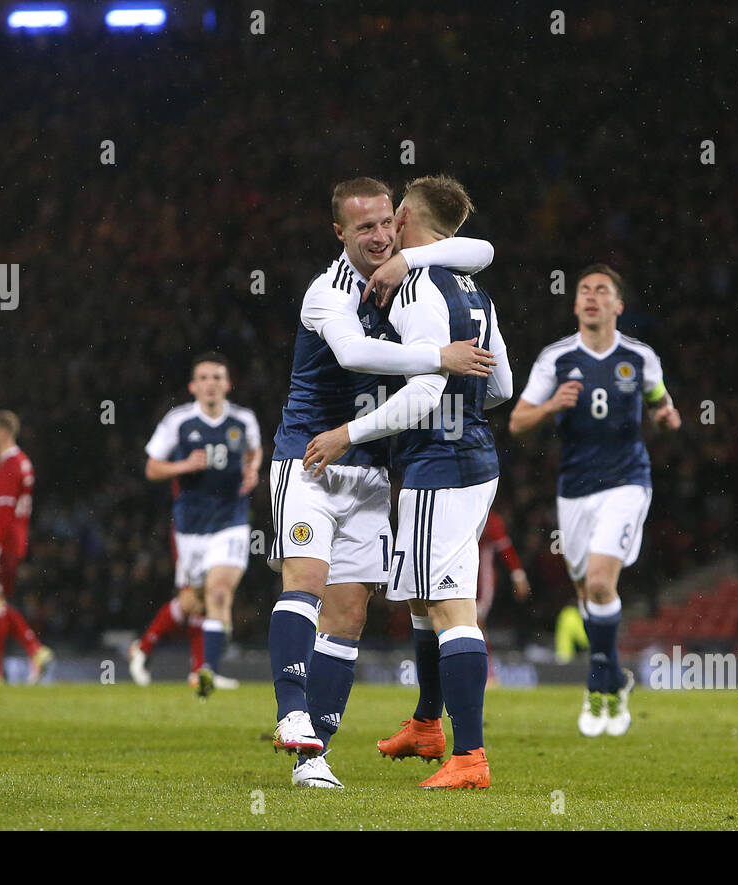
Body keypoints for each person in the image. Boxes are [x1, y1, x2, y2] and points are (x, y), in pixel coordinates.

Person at [268, 176, 497, 789]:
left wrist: (409, 257)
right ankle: (292, 713)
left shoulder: (410, 275)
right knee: (308, 582)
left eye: (382, 225)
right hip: (313, 453)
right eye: (361, 227)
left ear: (398, 222)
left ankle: (314, 757)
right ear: (339, 231)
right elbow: (350, 355)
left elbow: (482, 252)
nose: (375, 236)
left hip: (370, 468)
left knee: (349, 614)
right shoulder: (327, 291)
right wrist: (438, 358)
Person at [508, 265, 680, 737]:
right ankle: (615, 677)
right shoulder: (557, 359)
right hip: (574, 491)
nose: (591, 297)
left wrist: (667, 415)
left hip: (627, 483)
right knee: (587, 594)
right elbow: (518, 422)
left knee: (602, 584)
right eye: (584, 290)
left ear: (618, 306)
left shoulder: (640, 357)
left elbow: (661, 400)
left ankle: (597, 684)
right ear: (576, 303)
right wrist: (550, 406)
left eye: (602, 291)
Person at [133, 354, 261, 696]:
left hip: (231, 521)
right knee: (191, 602)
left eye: (217, 377)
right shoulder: (179, 421)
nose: (211, 383)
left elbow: (254, 451)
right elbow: (152, 468)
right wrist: (184, 466)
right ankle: (143, 648)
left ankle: (208, 672)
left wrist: (252, 469)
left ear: (227, 384)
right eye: (204, 377)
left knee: (219, 593)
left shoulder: (243, 420)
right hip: (190, 527)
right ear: (193, 386)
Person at [0, 410, 53, 685]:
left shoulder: (9, 465)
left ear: (4, 432)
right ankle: (35, 651)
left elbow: (3, 511)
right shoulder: (21, 462)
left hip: (2, 543)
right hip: (13, 542)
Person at [477, 509, 529, 685]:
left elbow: (505, 548)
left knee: (476, 622)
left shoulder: (490, 518)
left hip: (481, 582)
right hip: (457, 575)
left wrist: (517, 574)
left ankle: (487, 672)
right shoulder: (457, 508)